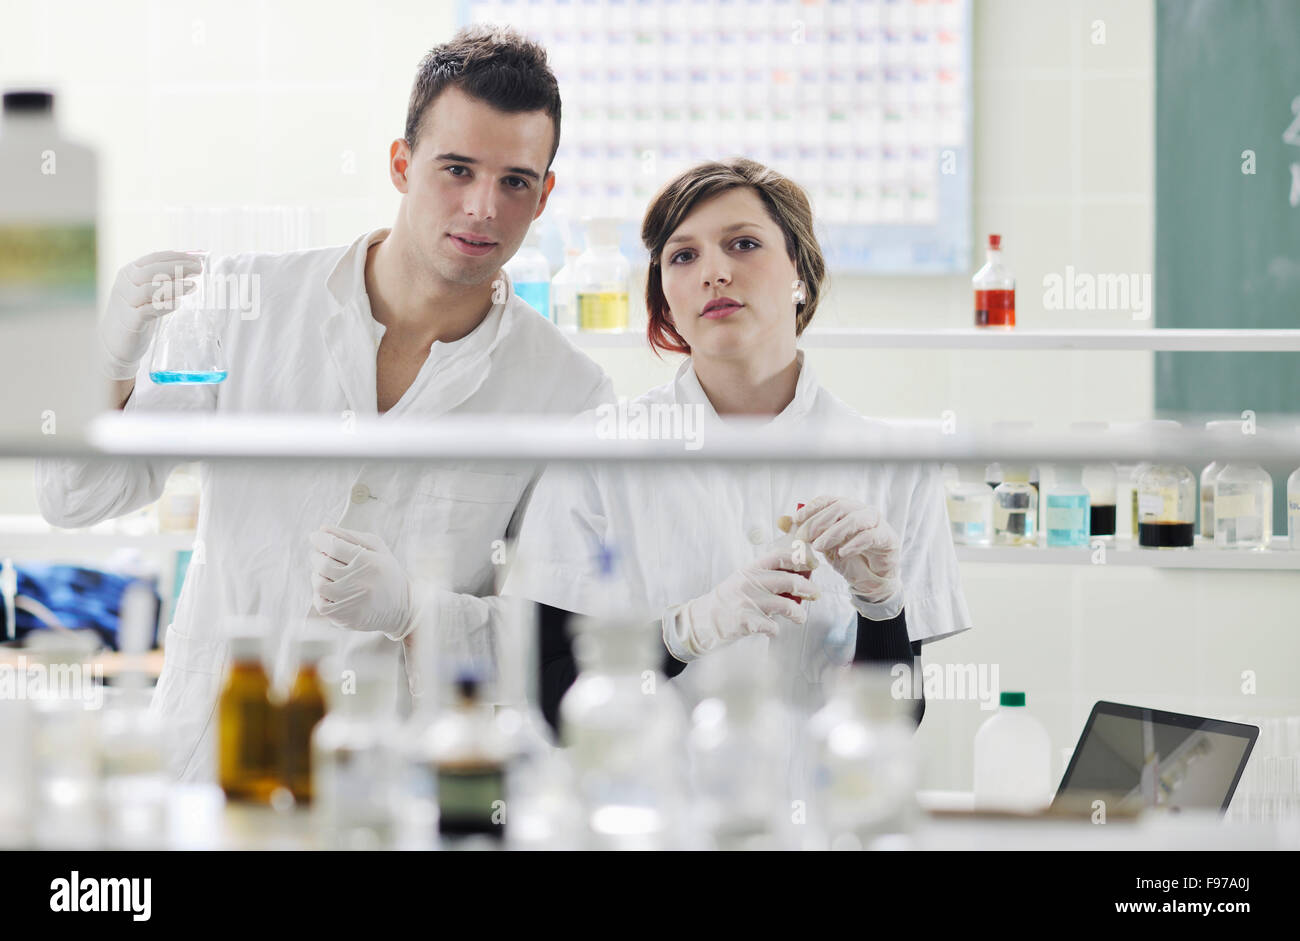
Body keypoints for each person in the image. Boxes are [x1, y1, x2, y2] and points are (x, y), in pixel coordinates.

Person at [34, 26, 612, 782]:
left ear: (545, 195)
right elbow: (73, 497)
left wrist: (414, 612)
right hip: (211, 762)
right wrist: (109, 361)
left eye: (515, 182)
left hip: (397, 788)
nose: (482, 208)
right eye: (457, 169)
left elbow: (553, 647)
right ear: (401, 165)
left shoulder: (566, 391)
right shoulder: (252, 305)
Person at [505, 158, 973, 786]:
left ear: (800, 274)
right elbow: (552, 701)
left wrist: (881, 608)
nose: (715, 272)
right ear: (664, 298)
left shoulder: (893, 465)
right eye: (683, 257)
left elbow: (894, 718)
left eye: (744, 244)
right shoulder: (596, 454)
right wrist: (684, 632)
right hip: (650, 823)